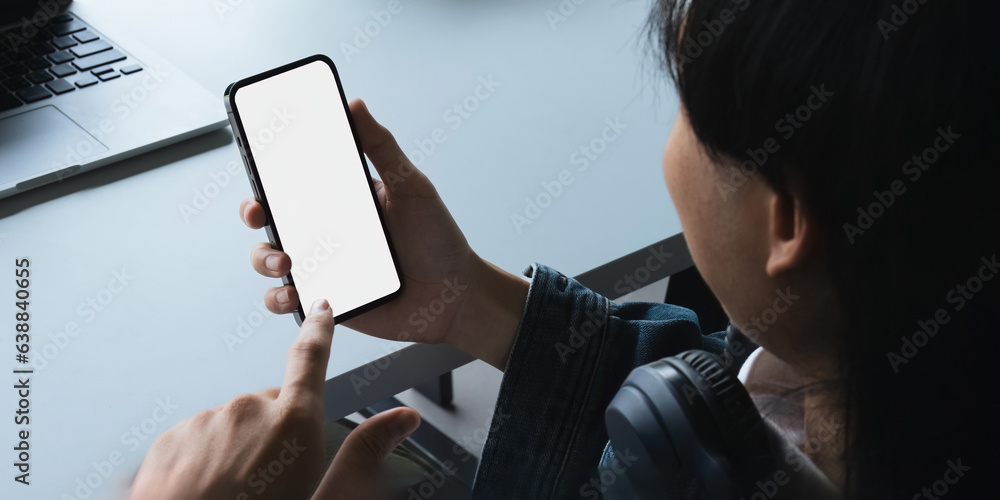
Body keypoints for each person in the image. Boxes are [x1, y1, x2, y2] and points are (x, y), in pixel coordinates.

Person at [131, 0, 1000, 498]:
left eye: (685, 107)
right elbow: (699, 393)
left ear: (786, 223)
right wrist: (467, 297)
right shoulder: (870, 374)